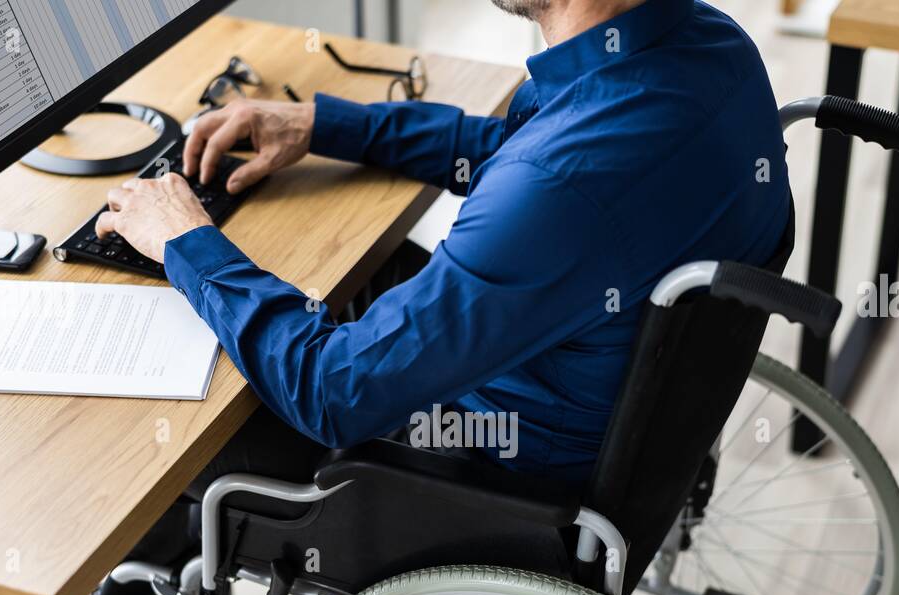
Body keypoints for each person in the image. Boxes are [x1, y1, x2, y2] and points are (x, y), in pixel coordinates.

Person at [96, 0, 791, 487]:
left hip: (488, 472)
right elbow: (524, 157)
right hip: (612, 406)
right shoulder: (712, 45)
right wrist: (321, 125)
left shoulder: (557, 187)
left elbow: (334, 393)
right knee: (353, 276)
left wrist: (189, 241)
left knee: (175, 423)